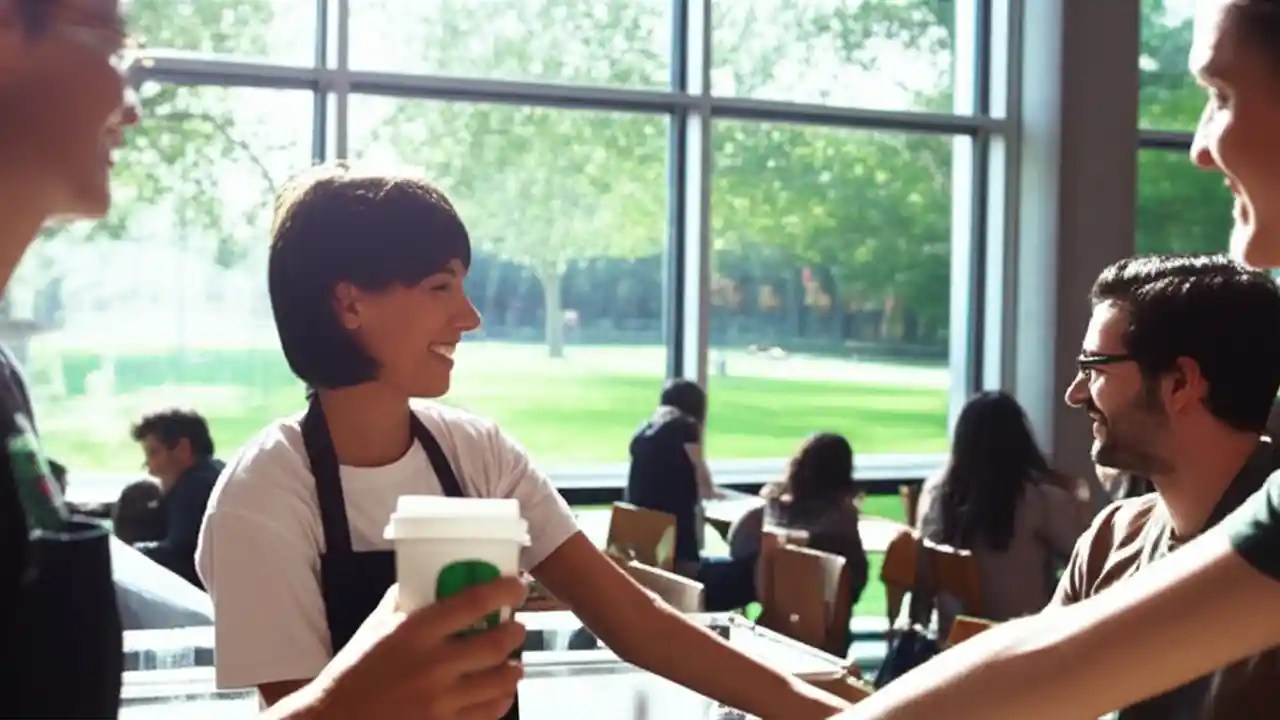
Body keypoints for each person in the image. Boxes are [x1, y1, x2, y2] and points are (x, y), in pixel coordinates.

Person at [0, 2, 564, 718]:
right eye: (114, 46)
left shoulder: (8, 394)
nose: (130, 105)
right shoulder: (267, 493)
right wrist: (359, 699)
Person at [195, 162, 850, 718]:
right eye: (440, 287)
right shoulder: (265, 494)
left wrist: (834, 712)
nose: (471, 316)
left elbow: (638, 623)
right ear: (350, 304)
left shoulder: (479, 453)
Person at [830, 1, 1280, 717]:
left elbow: (1061, 664)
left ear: (1182, 384)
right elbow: (1055, 664)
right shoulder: (1114, 534)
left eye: (1221, 96)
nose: (1198, 146)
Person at [1054, 255, 1280, 718]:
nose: (1075, 393)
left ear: (1181, 383)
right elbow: (1034, 684)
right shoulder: (1111, 538)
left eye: (1094, 367)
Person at [912, 392, 1081, 635]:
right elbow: (1086, 560)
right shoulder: (1037, 499)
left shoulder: (937, 492)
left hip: (955, 641)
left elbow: (922, 576)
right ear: (1020, 439)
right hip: (1020, 639)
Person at [728, 432, 869, 614]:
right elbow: (857, 580)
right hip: (825, 618)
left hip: (777, 611)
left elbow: (738, 544)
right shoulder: (841, 521)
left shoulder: (772, 512)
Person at [626, 377, 720, 574]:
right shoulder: (685, 427)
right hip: (677, 541)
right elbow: (702, 478)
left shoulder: (644, 430)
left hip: (643, 541)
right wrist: (713, 491)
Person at [128, 408, 224, 588]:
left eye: (153, 453)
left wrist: (130, 553)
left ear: (183, 449)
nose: (149, 467)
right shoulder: (215, 473)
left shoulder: (194, 487)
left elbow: (179, 555)